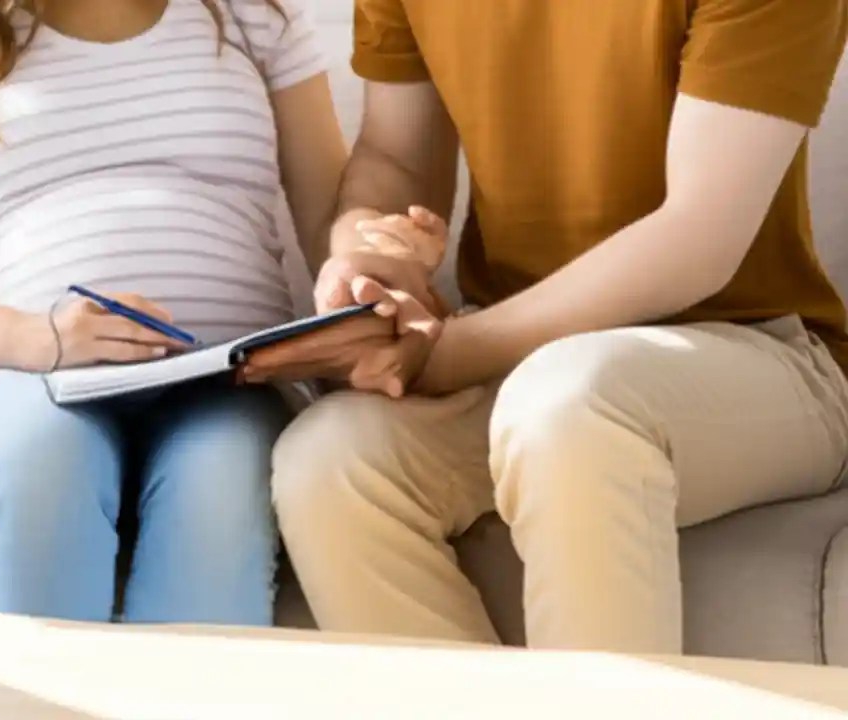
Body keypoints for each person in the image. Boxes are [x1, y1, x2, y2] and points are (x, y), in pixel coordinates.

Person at [244, 0, 848, 653]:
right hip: (521, 371)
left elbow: (699, 237)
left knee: (566, 407)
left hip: (763, 356)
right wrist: (364, 258)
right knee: (327, 462)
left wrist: (451, 353)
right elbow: (395, 156)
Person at [0, 0, 345, 625]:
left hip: (228, 387)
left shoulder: (257, 15)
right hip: (15, 383)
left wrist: (373, 270)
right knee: (44, 458)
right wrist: (34, 339)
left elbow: (331, 222)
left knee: (219, 484)